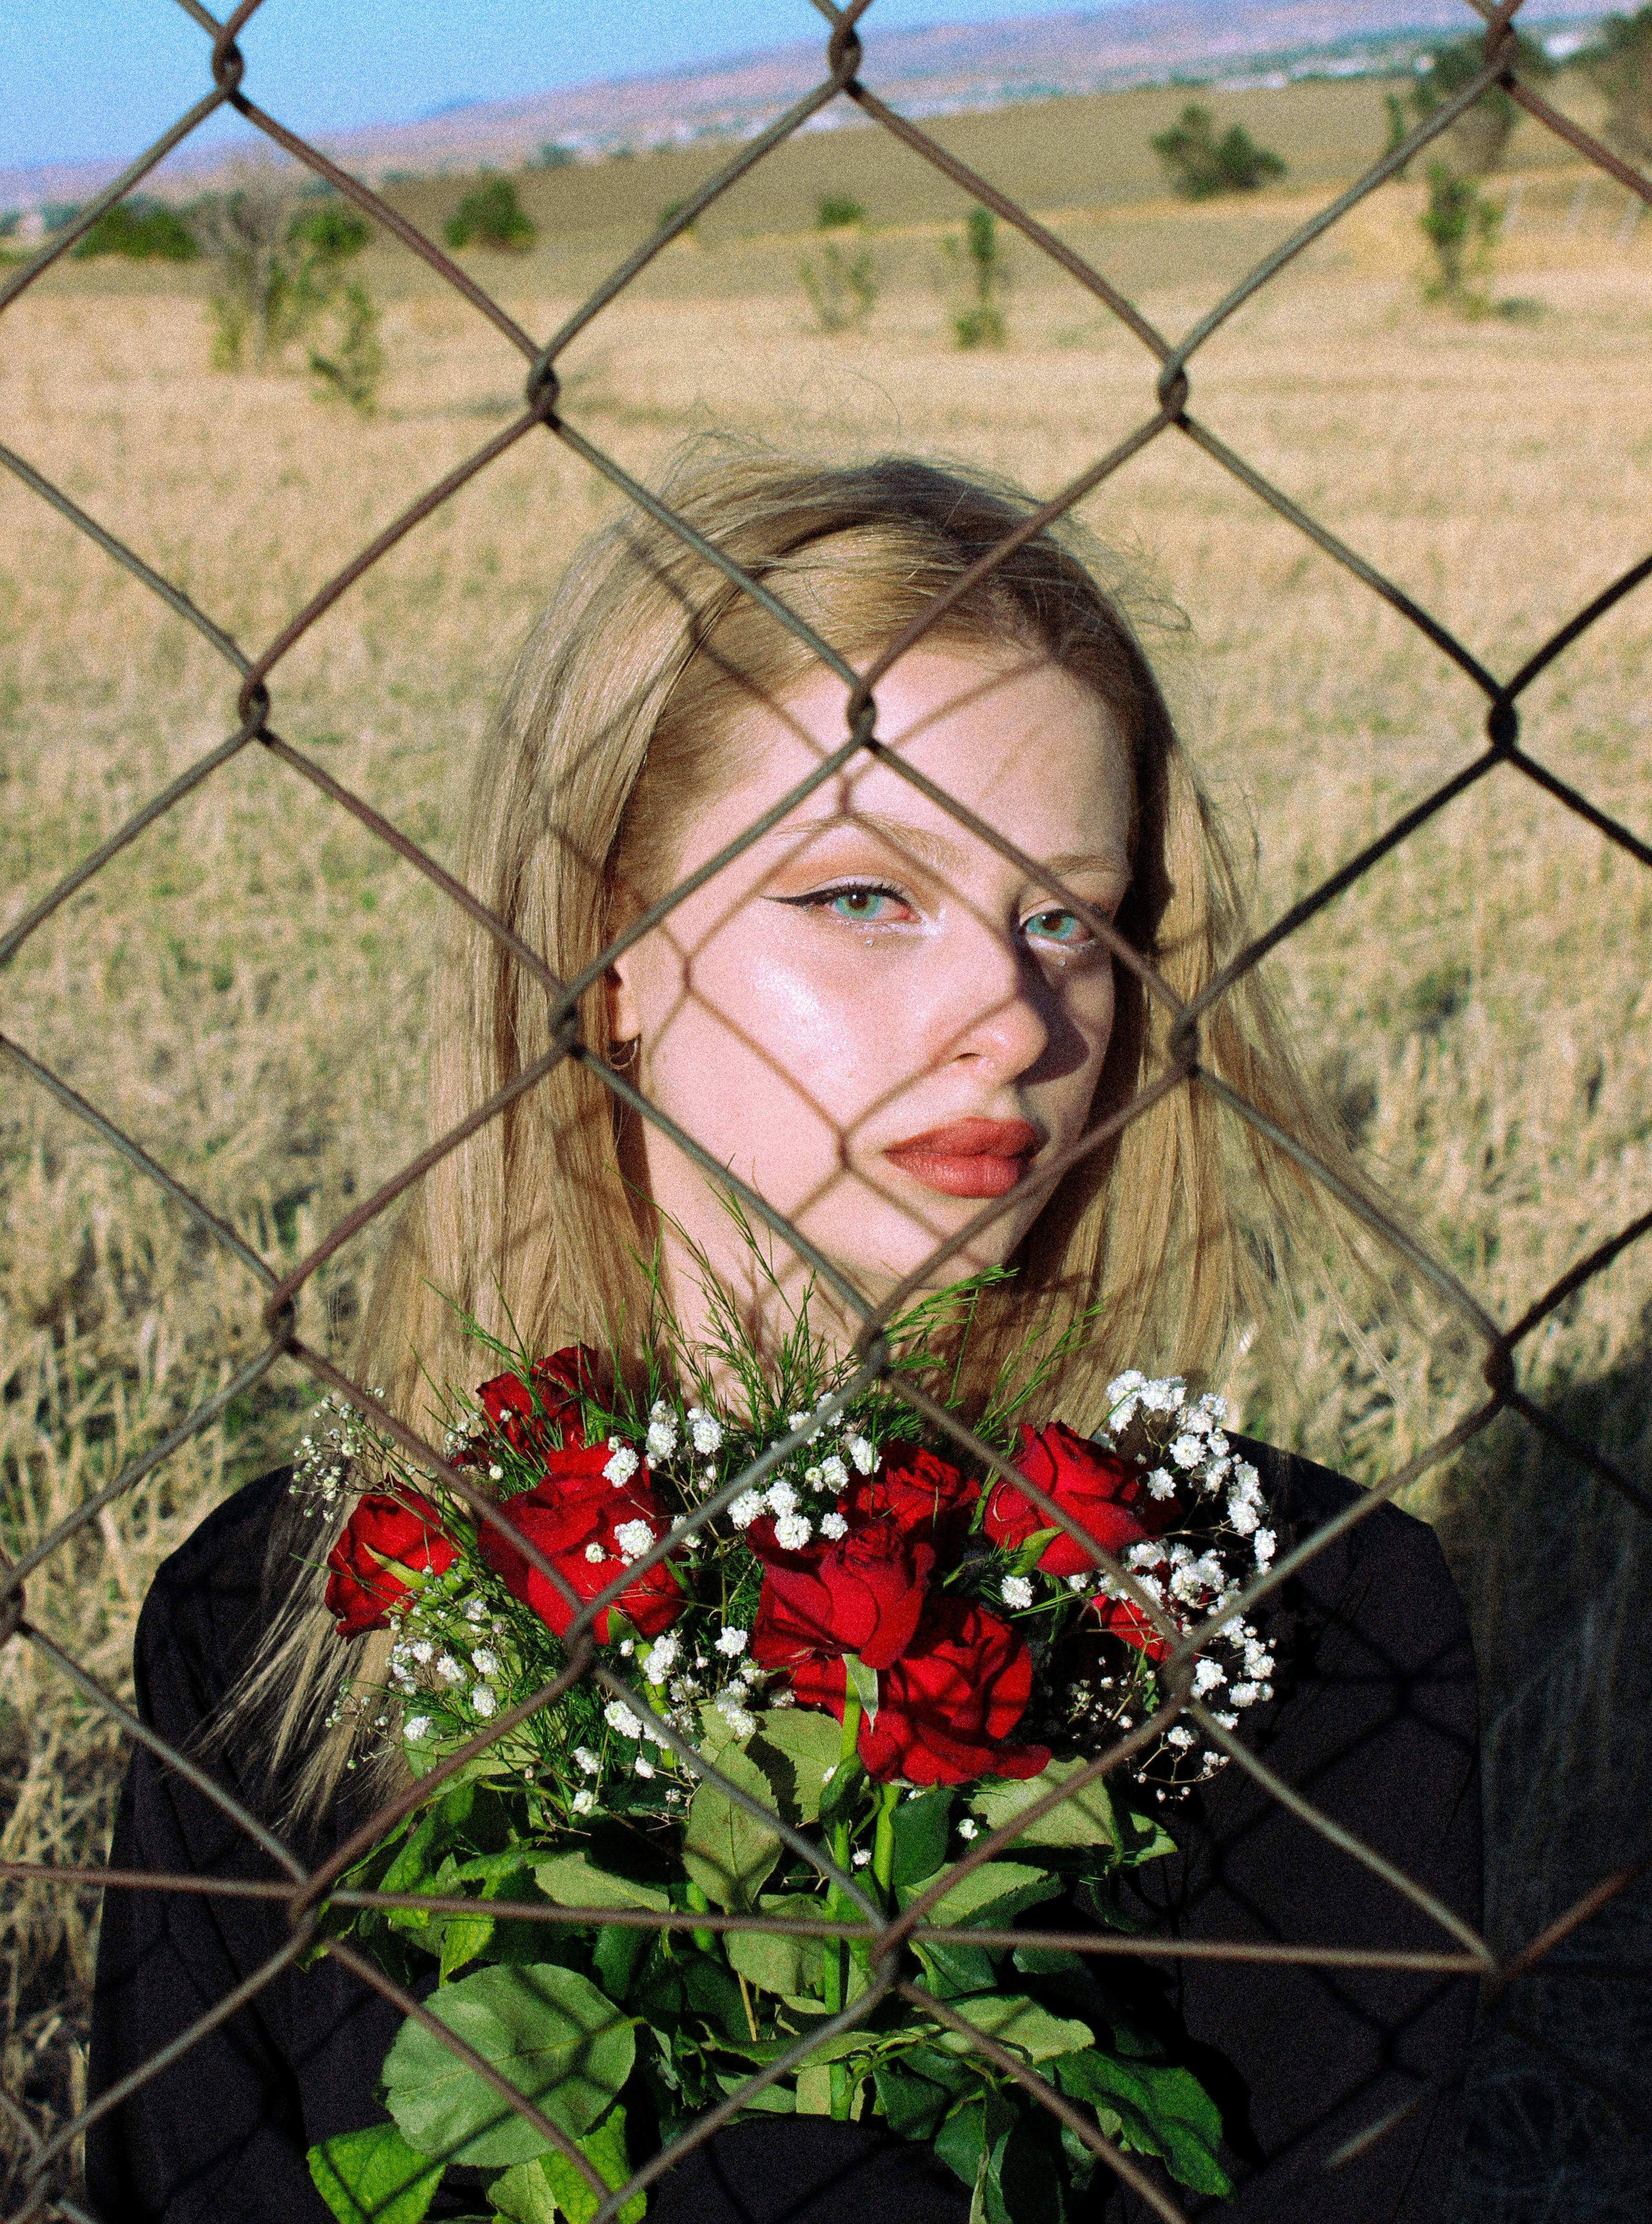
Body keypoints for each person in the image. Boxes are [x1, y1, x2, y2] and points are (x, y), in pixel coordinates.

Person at [87, 452, 1480, 2223]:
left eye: (1068, 916)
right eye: (860, 896)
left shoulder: (1319, 1637)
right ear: (612, 953)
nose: (1013, 1017)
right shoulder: (296, 1630)